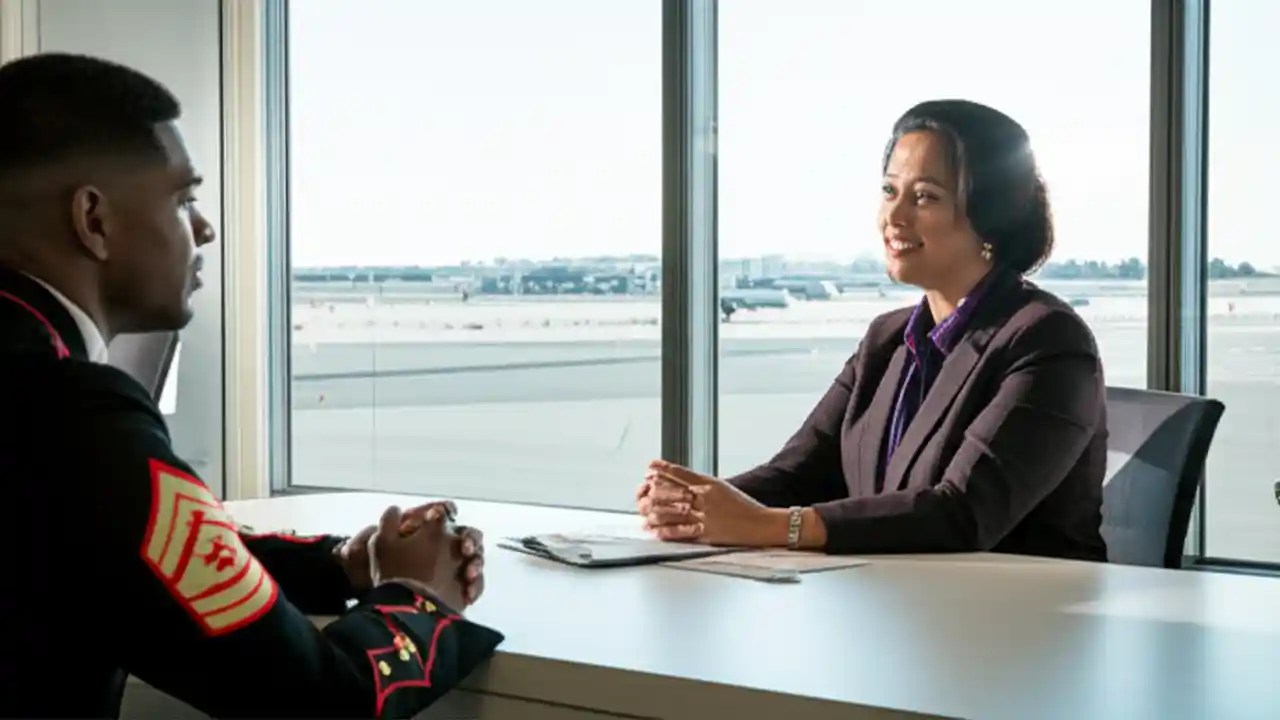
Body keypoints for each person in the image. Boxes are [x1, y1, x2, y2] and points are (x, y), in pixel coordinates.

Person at [0, 53, 502, 718]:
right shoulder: (68, 409)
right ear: (93, 219)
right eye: (183, 200)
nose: (204, 228)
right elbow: (319, 699)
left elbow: (116, 547)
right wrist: (418, 595)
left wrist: (339, 567)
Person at [638, 99, 1108, 562]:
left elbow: (963, 513)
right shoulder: (887, 339)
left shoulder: (1048, 341)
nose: (894, 218)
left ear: (991, 216)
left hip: (1020, 621)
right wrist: (695, 506)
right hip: (893, 608)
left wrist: (774, 527)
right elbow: (798, 474)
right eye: (889, 191)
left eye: (925, 196)